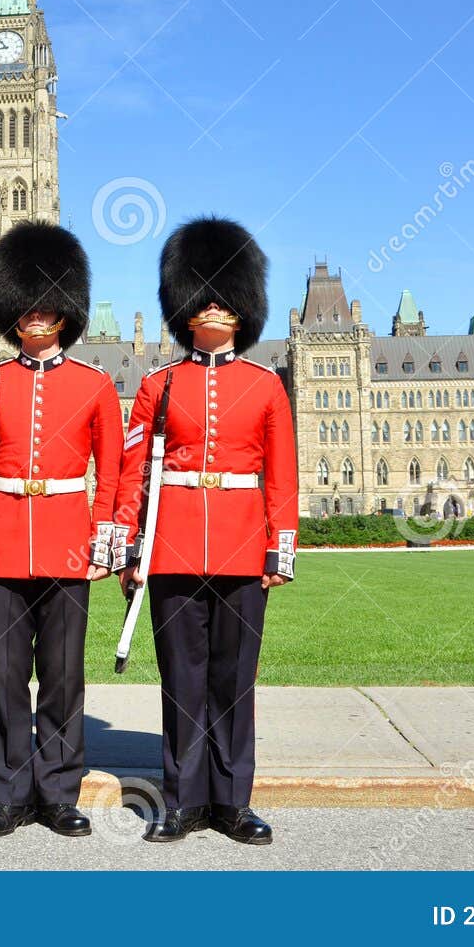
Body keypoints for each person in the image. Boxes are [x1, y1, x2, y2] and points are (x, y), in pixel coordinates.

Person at [115, 217, 297, 846]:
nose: (215, 304)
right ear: (184, 306)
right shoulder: (155, 387)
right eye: (205, 294)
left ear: (244, 308)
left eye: (226, 295)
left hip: (246, 548)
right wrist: (130, 548)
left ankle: (233, 801)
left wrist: (281, 548)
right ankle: (183, 799)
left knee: (233, 679)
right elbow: (132, 475)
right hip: (172, 547)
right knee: (182, 678)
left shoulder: (266, 386)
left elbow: (281, 480)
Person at [0, 222, 123, 839]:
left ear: (65, 313)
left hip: (70, 546)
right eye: (26, 307)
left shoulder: (95, 386)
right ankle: (8, 795)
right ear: (11, 313)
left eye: (49, 307)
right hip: (0, 546)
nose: (38, 318)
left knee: (64, 675)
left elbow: (113, 474)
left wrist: (105, 542)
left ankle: (57, 792)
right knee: (4, 677)